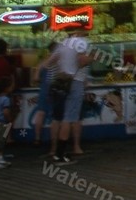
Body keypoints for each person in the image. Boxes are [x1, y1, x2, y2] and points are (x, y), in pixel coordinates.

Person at [42, 32, 92, 163]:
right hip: (75, 82)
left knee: (60, 117)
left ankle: (56, 151)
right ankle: (60, 153)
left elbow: (47, 63)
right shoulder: (81, 43)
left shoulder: (63, 45)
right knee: (69, 118)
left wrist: (62, 70)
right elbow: (81, 61)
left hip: (62, 83)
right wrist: (92, 58)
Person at [31, 41, 58, 149]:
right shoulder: (58, 61)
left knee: (40, 113)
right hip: (55, 89)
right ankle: (53, 143)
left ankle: (37, 138)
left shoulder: (43, 62)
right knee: (54, 117)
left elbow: (35, 78)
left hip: (44, 89)